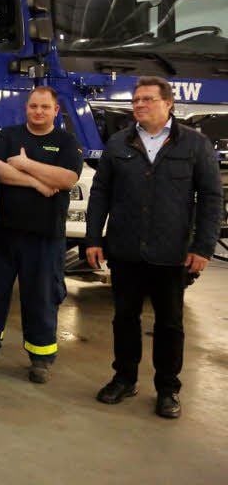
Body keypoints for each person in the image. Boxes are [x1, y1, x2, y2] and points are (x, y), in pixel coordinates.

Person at [87, 76, 221, 419]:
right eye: (136, 100)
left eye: (147, 99)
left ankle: (167, 388)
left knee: (170, 324)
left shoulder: (194, 144)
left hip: (171, 252)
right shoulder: (118, 142)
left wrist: (203, 247)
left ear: (168, 103)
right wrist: (93, 239)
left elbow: (211, 198)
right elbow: (100, 193)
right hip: (125, 249)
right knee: (125, 319)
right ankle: (124, 378)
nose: (139, 105)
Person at [0, 87, 82, 383]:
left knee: (41, 297)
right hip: (3, 233)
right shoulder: (9, 135)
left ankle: (41, 358)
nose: (38, 111)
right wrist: (37, 183)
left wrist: (25, 164)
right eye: (33, 106)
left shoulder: (66, 141)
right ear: (26, 108)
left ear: (55, 110)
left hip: (45, 237)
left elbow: (67, 178)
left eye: (45, 107)